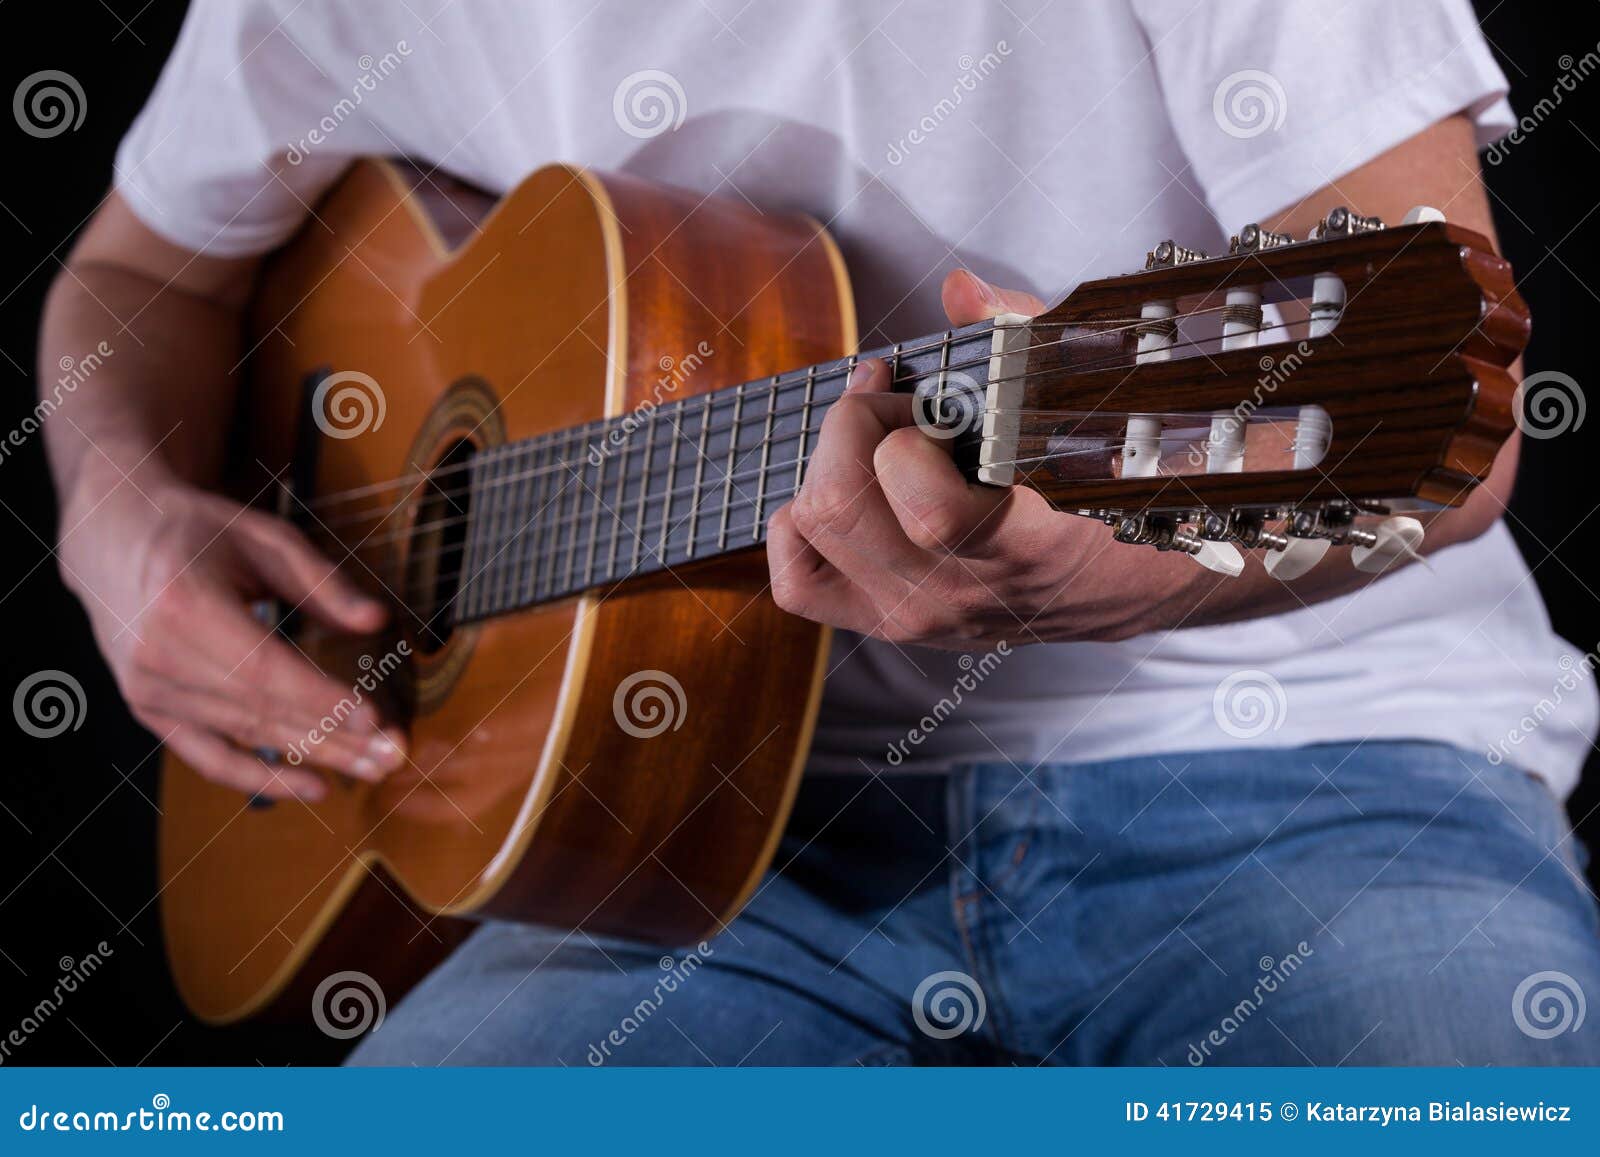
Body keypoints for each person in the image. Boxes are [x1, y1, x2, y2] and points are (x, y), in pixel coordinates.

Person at [42, 0, 1600, 1065]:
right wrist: (116, 517)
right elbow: (143, 283)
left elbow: (1430, 426)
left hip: (1316, 758)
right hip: (677, 846)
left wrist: (1098, 568)